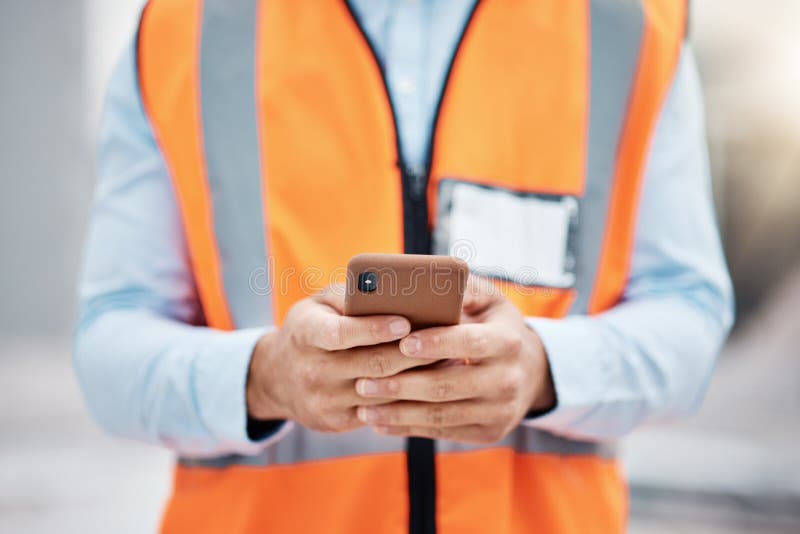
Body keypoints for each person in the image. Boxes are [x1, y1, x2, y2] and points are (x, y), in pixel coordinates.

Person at [74, 1, 734, 533]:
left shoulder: (629, 22)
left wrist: (545, 370)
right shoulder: (183, 27)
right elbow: (109, 344)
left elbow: (691, 316)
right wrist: (264, 379)